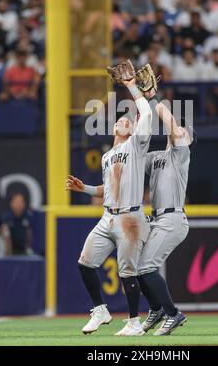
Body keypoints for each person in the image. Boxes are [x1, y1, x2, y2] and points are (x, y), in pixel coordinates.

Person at [67, 71, 152, 336]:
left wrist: (132, 88)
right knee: (85, 263)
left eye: (128, 120)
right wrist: (86, 188)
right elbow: (107, 190)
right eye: (121, 120)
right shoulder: (107, 156)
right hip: (108, 216)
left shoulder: (136, 147)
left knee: (128, 272)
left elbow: (146, 115)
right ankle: (100, 310)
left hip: (130, 218)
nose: (124, 121)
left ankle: (134, 322)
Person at [137, 93, 193, 335]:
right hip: (158, 218)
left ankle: (172, 313)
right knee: (137, 268)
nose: (180, 131)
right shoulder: (158, 156)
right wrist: (141, 118)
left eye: (185, 132)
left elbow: (171, 125)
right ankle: (156, 309)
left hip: (173, 219)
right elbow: (135, 159)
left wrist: (153, 98)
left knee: (146, 267)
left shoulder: (181, 155)